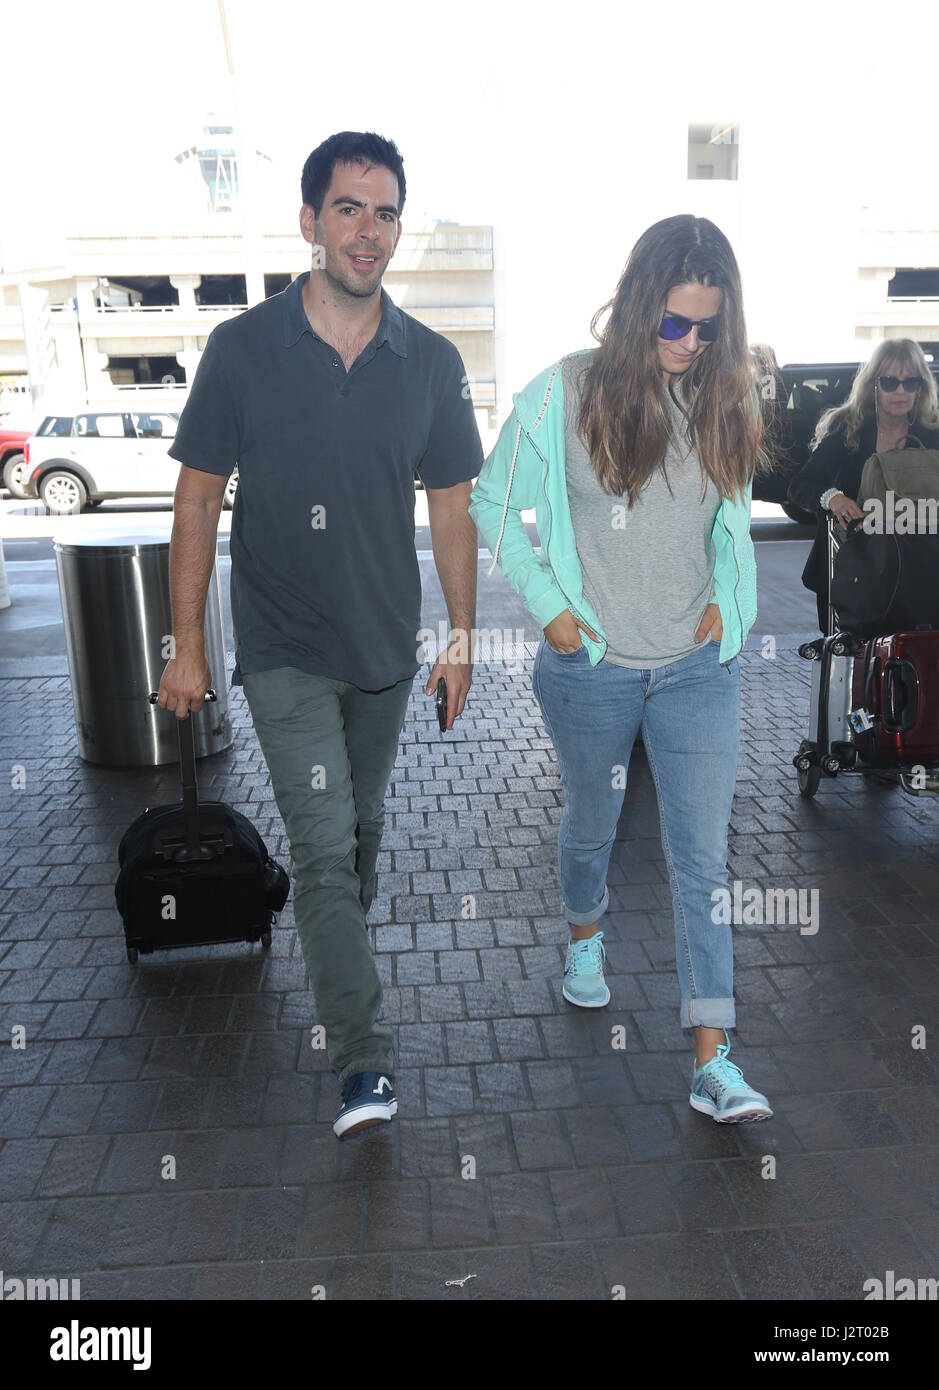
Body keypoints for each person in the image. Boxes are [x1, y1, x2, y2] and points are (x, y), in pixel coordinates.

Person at [158, 131, 482, 1140]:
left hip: (384, 648)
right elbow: (198, 498)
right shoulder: (243, 351)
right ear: (310, 220)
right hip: (285, 647)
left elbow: (454, 505)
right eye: (349, 208)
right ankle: (363, 1062)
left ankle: (335, 935)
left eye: (385, 212)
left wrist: (464, 634)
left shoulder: (429, 362)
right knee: (327, 852)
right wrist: (188, 644)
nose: (368, 230)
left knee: (359, 837)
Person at [469, 215, 774, 1123]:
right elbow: (492, 502)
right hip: (590, 668)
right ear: (637, 306)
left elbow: (732, 525)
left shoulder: (724, 398)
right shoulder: (565, 392)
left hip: (694, 669)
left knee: (700, 860)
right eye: (670, 324)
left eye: (705, 328)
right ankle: (584, 936)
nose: (686, 344)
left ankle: (713, 1061)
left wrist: (734, 602)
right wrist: (552, 609)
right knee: (592, 823)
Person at [788, 339, 939, 632]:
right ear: (873, 385)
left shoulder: (932, 433)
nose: (900, 391)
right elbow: (801, 484)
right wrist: (833, 498)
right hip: (853, 570)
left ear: (920, 387)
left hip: (915, 574)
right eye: (890, 382)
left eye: (910, 382)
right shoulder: (849, 429)